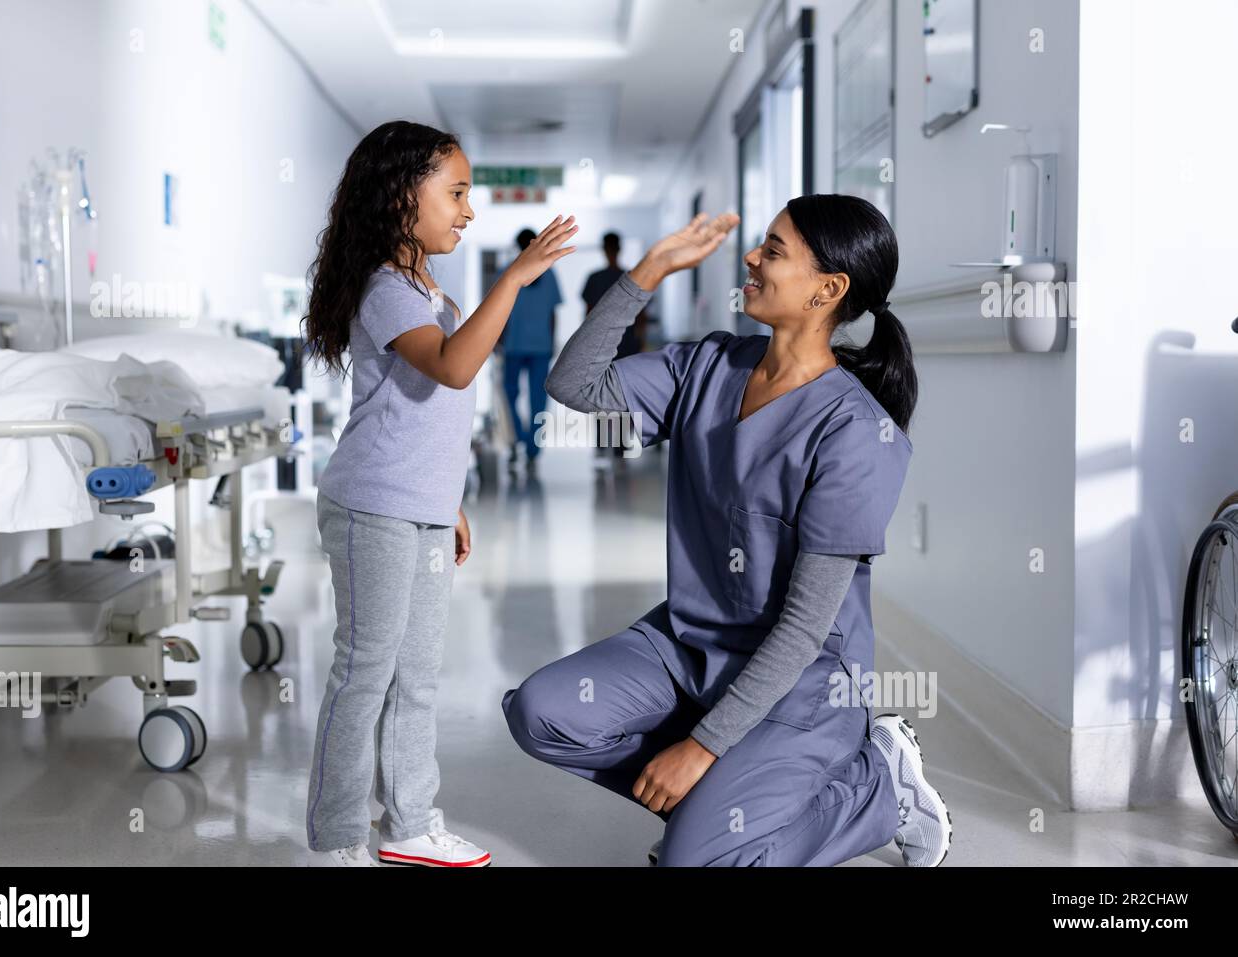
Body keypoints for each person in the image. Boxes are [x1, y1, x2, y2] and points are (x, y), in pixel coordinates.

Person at [503, 197, 952, 866]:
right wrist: (648, 270)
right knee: (540, 710)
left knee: (698, 861)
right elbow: (575, 385)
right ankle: (722, 809)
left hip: (806, 682)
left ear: (827, 290)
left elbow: (803, 629)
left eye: (772, 250)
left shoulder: (857, 432)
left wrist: (702, 747)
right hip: (689, 647)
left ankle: (878, 788)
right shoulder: (708, 366)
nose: (751, 257)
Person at [302, 120, 577, 867]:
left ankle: (411, 822)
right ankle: (334, 839)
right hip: (372, 506)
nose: (467, 210)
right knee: (366, 670)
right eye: (455, 192)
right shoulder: (386, 289)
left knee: (417, 675)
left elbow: (429, 411)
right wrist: (515, 277)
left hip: (418, 507)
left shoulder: (429, 288)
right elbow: (453, 369)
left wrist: (446, 498)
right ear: (401, 197)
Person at [500, 228, 563, 475]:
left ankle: (519, 440)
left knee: (510, 396)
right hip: (538, 346)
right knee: (538, 400)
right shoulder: (549, 273)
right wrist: (550, 342)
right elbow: (552, 314)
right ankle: (532, 448)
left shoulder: (508, 269)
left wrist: (498, 342)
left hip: (514, 345)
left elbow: (499, 312)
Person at [582, 231, 648, 463]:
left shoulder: (596, 279)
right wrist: (640, 338)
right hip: (625, 344)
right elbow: (642, 315)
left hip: (604, 345)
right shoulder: (629, 277)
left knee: (601, 392)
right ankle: (618, 443)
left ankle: (604, 441)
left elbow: (588, 315)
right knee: (622, 392)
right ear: (618, 249)